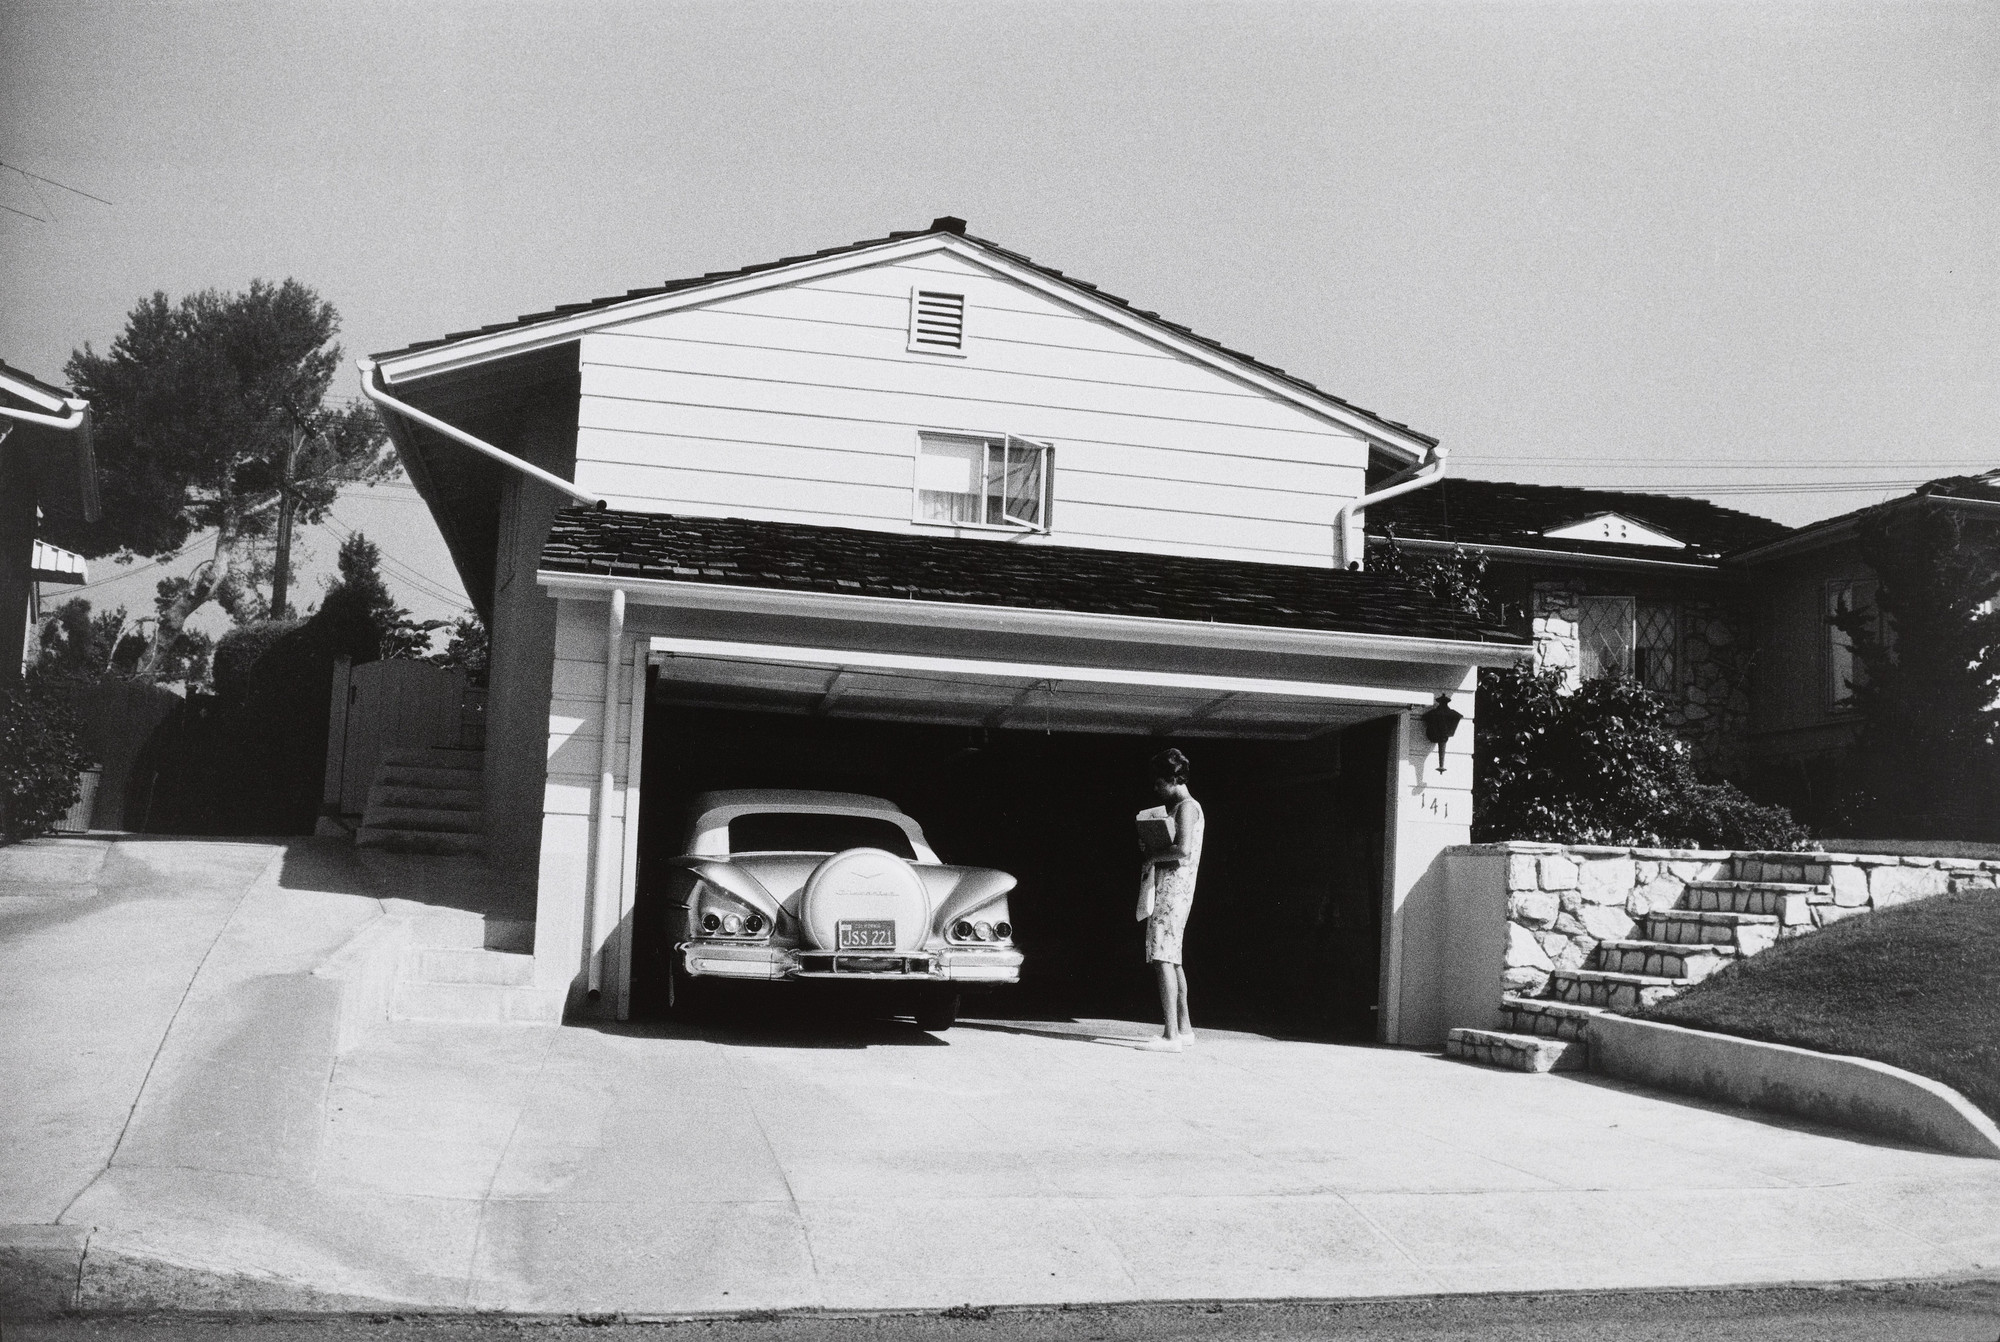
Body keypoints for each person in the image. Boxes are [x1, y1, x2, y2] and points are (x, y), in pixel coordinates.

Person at [1138, 748, 1203, 1052]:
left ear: (1173, 779)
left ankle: (1170, 1035)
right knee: (1172, 958)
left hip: (1172, 890)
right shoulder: (1184, 807)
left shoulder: (1186, 807)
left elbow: (1183, 849)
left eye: (1159, 782)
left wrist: (1153, 855)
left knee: (1162, 956)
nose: (1156, 788)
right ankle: (1184, 1028)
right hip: (1176, 890)